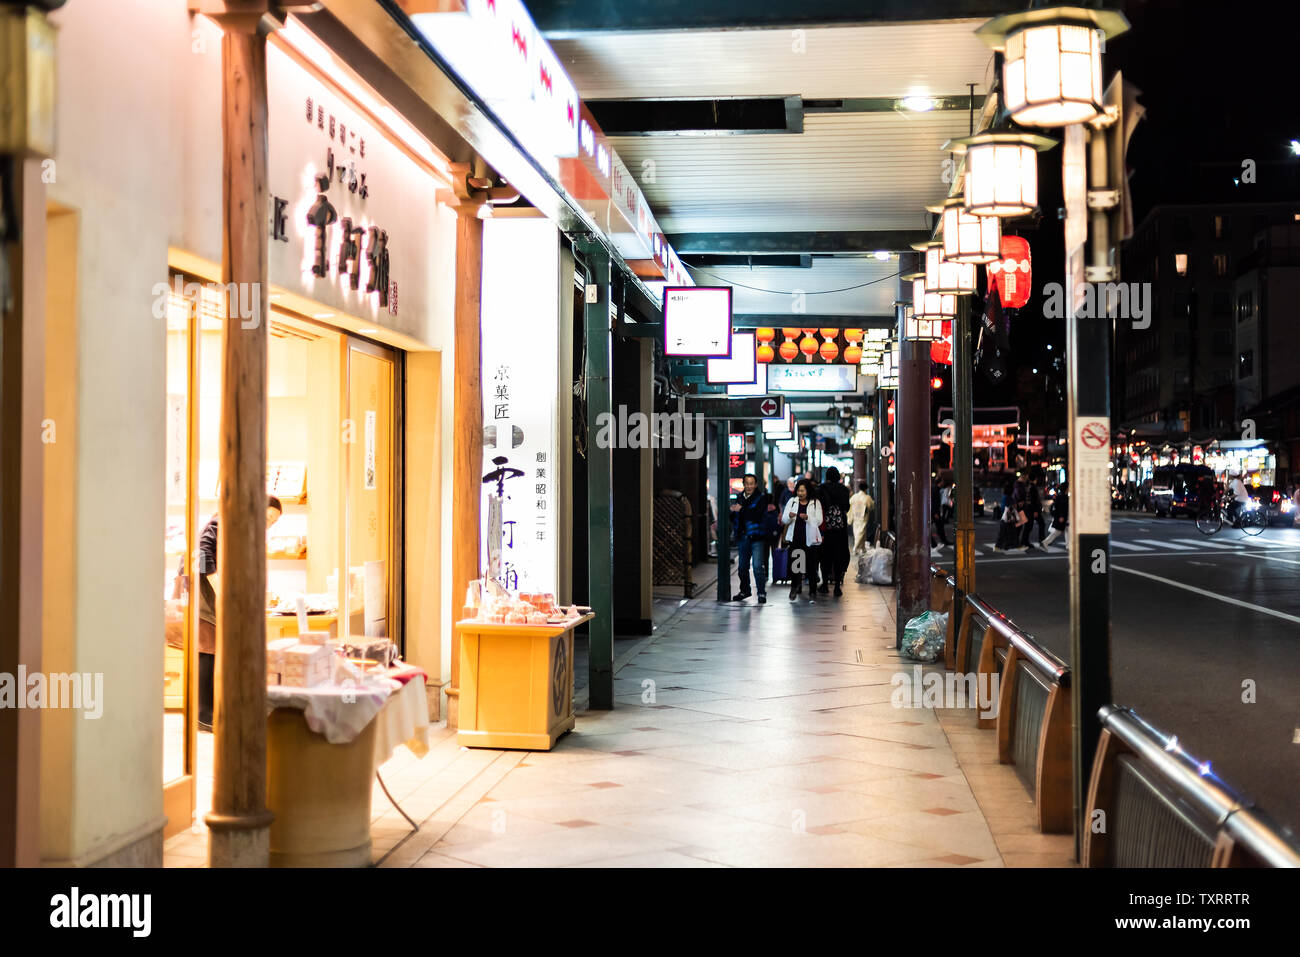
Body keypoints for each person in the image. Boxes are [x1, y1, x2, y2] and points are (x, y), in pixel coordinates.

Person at [190, 495, 283, 733]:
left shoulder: (244, 529)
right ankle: (203, 715)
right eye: (269, 517)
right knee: (207, 653)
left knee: (216, 653)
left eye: (273, 522)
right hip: (208, 600)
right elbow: (200, 551)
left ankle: (216, 711)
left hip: (224, 602)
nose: (269, 524)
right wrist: (215, 583)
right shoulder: (224, 521)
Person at [729, 473, 776, 604]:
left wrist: (741, 510)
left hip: (757, 537)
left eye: (751, 483)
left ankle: (761, 593)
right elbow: (735, 517)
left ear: (755, 485)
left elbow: (756, 515)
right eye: (747, 483)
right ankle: (745, 590)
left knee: (757, 567)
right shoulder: (739, 497)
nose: (749, 486)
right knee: (742, 568)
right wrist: (732, 512)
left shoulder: (761, 498)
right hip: (742, 537)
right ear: (743, 484)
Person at [781, 478, 823, 601]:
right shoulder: (792, 501)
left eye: (803, 491)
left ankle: (812, 590)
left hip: (809, 539)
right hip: (795, 538)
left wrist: (808, 518)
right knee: (796, 565)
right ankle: (794, 587)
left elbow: (819, 520)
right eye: (798, 491)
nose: (800, 493)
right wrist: (789, 516)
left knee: (811, 565)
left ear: (808, 491)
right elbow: (784, 520)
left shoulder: (815, 503)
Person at [817, 467, 851, 597]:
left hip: (825, 529)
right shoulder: (844, 490)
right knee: (838, 556)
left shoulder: (821, 489)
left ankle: (825, 584)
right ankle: (837, 586)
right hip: (840, 530)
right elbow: (846, 507)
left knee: (825, 556)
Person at [991, 480, 1018, 554]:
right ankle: (1001, 545)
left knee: (1005, 532)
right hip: (1007, 517)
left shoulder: (1005, 497)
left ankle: (1004, 545)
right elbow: (1007, 507)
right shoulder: (1008, 498)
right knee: (1005, 532)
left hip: (1006, 517)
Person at [1041, 481, 1068, 548]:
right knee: (1058, 531)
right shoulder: (1063, 496)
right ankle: (1045, 542)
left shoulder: (1060, 495)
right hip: (1061, 516)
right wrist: (1061, 516)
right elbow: (1062, 507)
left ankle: (1068, 545)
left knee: (1066, 530)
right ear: (1066, 489)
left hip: (1061, 516)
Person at [848, 481, 873, 554]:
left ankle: (863, 548)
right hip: (863, 517)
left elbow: (849, 504)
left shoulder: (854, 496)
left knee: (858, 532)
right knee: (861, 532)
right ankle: (855, 548)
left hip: (855, 516)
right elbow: (871, 506)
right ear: (866, 489)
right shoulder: (867, 497)